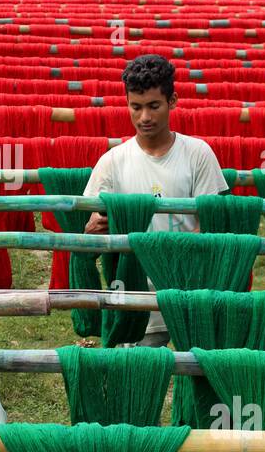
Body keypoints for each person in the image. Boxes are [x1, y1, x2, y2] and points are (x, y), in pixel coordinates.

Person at [83, 53, 229, 348]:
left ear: (172, 101)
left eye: (153, 106)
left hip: (190, 295)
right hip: (135, 303)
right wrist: (93, 232)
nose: (144, 117)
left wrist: (166, 256)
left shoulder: (198, 154)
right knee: (133, 382)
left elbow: (214, 225)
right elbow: (88, 235)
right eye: (135, 107)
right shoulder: (112, 163)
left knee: (201, 375)